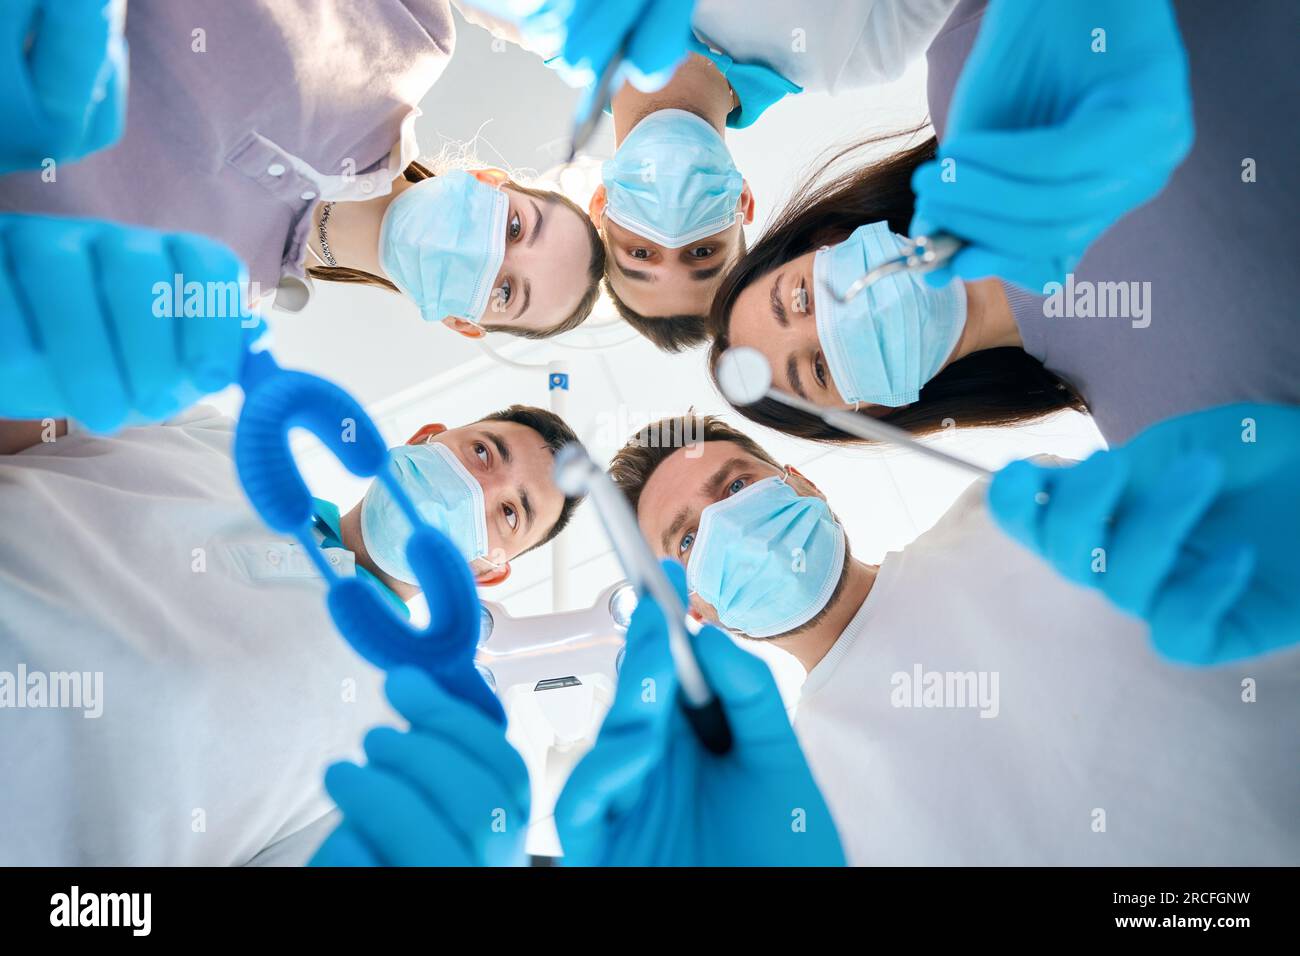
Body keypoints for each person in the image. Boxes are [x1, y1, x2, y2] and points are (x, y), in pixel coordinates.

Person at [603, 413, 1300, 864]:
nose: (729, 524)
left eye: (734, 485)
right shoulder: (802, 805)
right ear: (694, 605)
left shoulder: (1013, 518)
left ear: (799, 484)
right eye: (689, 538)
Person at [0, 402, 582, 865]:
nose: (477, 493)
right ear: (427, 437)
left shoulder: (384, 749)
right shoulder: (206, 436)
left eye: (510, 513)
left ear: (490, 569)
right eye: (482, 453)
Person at [707, 0, 1299, 445]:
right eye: (819, 368)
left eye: (803, 297)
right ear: (876, 411)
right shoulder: (1158, 430)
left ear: (827, 242)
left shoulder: (966, 68)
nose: (837, 322)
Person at [0, 0, 605, 339]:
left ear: (462, 322)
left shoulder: (218, 301)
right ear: (490, 183)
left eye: (505, 291)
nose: (491, 254)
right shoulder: (411, 31)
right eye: (517, 229)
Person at [460, 0, 960, 351]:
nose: (671, 230)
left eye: (641, 253)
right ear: (743, 201)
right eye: (703, 253)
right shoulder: (856, 51)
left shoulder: (521, 13)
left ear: (598, 206)